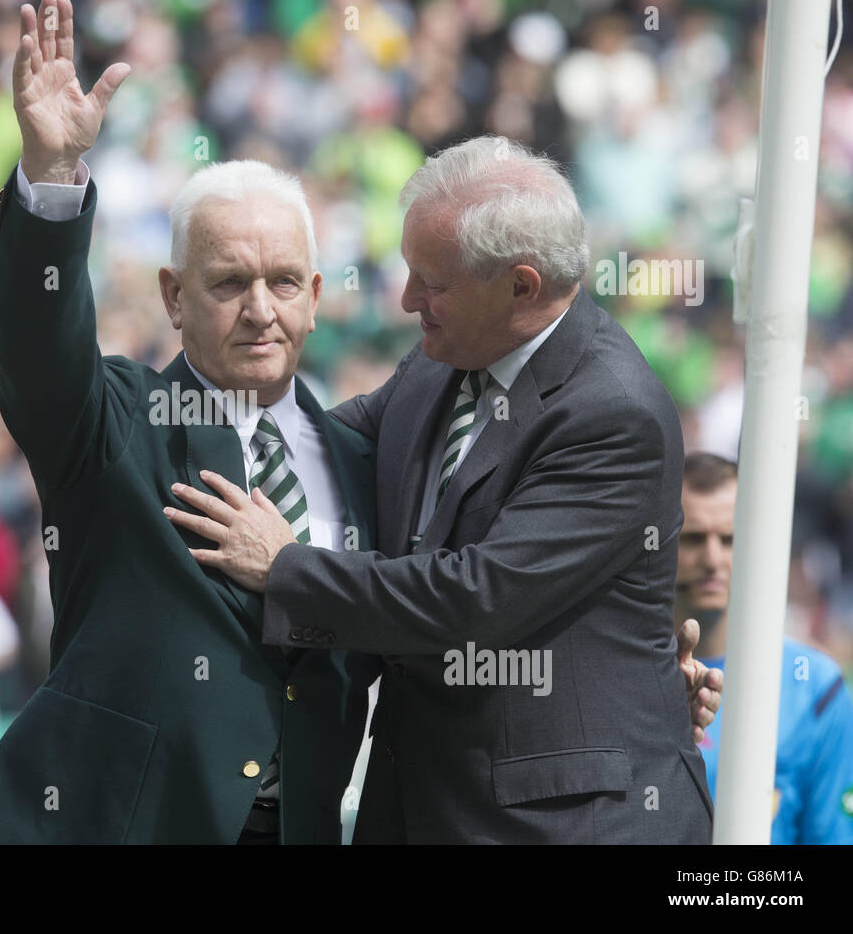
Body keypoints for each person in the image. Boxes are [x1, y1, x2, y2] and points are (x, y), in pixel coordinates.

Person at [170, 136, 720, 843]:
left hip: (566, 822)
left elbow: (473, 599)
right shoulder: (447, 357)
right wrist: (173, 447)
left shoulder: (612, 411)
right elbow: (323, 453)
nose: (406, 300)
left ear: (521, 285)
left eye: (431, 281)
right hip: (426, 803)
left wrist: (284, 567)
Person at [0, 0, 378, 844]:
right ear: (174, 298)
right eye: (229, 283)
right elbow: (39, 348)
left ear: (318, 298)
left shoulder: (367, 462)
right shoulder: (116, 422)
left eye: (285, 281)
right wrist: (52, 174)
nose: (261, 309)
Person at [676, 452, 853, 844]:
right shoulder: (615, 675)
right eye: (692, 538)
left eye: (729, 539)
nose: (712, 559)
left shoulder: (817, 690)